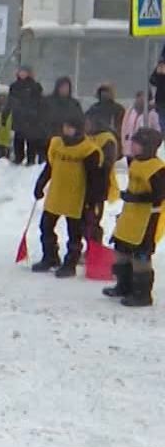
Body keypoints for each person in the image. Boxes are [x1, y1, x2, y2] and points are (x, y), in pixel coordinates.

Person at [32, 113, 101, 276]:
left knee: (74, 233)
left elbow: (94, 178)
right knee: (46, 226)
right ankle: (50, 257)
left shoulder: (89, 150)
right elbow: (50, 167)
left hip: (76, 197)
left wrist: (92, 200)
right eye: (65, 126)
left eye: (70, 127)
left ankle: (70, 263)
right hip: (56, 194)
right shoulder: (56, 144)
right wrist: (40, 184)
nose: (66, 130)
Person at [103, 127, 163, 308]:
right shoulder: (135, 162)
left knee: (140, 255)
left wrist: (136, 198)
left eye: (137, 144)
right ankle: (124, 285)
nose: (133, 147)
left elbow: (159, 196)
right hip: (130, 215)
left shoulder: (157, 169)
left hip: (146, 218)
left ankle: (142, 293)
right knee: (121, 249)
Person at [85, 115, 122, 244]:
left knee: (93, 220)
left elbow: (107, 163)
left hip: (98, 186)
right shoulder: (86, 137)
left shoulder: (106, 139)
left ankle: (95, 249)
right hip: (83, 185)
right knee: (84, 221)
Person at [6, 66, 44, 164]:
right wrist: (5, 114)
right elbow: (9, 101)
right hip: (18, 116)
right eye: (21, 72)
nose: (22, 74)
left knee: (31, 139)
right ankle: (19, 157)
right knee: (18, 138)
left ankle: (31, 158)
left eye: (25, 72)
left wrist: (37, 114)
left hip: (31, 118)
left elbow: (39, 102)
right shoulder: (14, 86)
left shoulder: (35, 86)